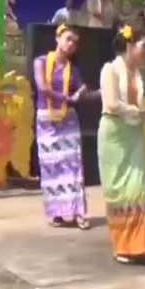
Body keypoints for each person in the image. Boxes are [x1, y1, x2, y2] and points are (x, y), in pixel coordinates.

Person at [98, 25, 145, 268]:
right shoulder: (110, 70)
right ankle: (124, 246)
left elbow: (136, 109)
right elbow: (113, 103)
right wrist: (142, 112)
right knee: (119, 192)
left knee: (138, 188)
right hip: (114, 134)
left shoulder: (137, 74)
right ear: (129, 45)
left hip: (134, 133)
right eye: (143, 46)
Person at [32, 24, 92, 229]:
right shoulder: (40, 62)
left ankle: (78, 212)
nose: (71, 44)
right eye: (68, 39)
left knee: (73, 165)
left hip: (68, 121)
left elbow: (81, 91)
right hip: (47, 120)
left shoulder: (73, 70)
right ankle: (56, 213)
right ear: (57, 38)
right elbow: (43, 88)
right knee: (52, 166)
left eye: (75, 42)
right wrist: (69, 97)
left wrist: (84, 92)